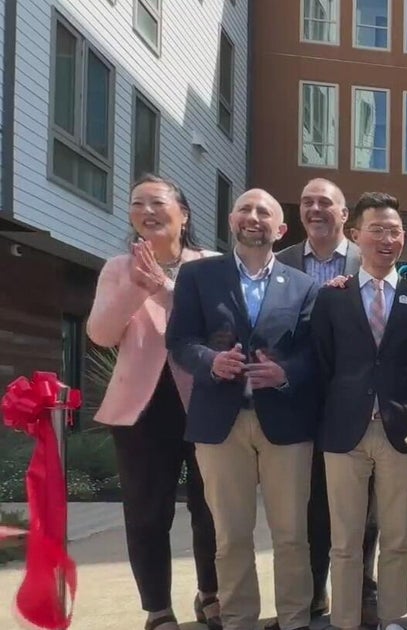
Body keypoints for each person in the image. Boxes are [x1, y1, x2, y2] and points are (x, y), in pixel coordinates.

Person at [166, 188, 321, 630]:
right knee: (230, 537)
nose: (254, 217)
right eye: (246, 210)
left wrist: (286, 373)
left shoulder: (303, 285)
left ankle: (294, 620)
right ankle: (238, 621)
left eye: (264, 212)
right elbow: (179, 341)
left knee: (291, 535)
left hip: (286, 426)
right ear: (232, 219)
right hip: (220, 423)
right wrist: (210, 362)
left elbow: (314, 352)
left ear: (281, 228)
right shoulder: (199, 276)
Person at [87, 174, 221, 630]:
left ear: (183, 214)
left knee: (213, 508)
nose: (147, 210)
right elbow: (101, 335)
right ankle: (158, 609)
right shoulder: (117, 268)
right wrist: (138, 287)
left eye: (157, 202)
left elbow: (222, 328)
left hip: (206, 401)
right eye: (136, 203)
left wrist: (164, 285)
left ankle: (212, 593)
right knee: (147, 513)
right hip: (141, 409)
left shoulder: (213, 265)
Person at [310, 192, 407, 630]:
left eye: (394, 231)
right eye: (377, 230)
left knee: (398, 538)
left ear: (403, 239)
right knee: (344, 540)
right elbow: (322, 363)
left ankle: (391, 618)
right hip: (344, 433)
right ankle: (345, 621)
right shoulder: (332, 298)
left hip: (399, 433)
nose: (386, 239)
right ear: (356, 236)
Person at [275, 177, 375, 624]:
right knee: (310, 502)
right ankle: (315, 591)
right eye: (308, 202)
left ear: (344, 215)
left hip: (353, 403)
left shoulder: (366, 260)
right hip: (298, 401)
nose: (315, 209)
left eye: (326, 203)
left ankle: (363, 591)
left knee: (363, 505)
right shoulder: (279, 263)